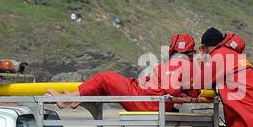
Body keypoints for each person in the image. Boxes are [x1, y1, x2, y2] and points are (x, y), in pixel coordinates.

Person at [57, 34, 202, 113]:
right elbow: (194, 93)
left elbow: (171, 90)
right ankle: (76, 97)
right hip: (150, 100)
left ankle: (68, 98)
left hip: (143, 100)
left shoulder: (176, 63)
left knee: (105, 78)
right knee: (106, 85)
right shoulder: (191, 67)